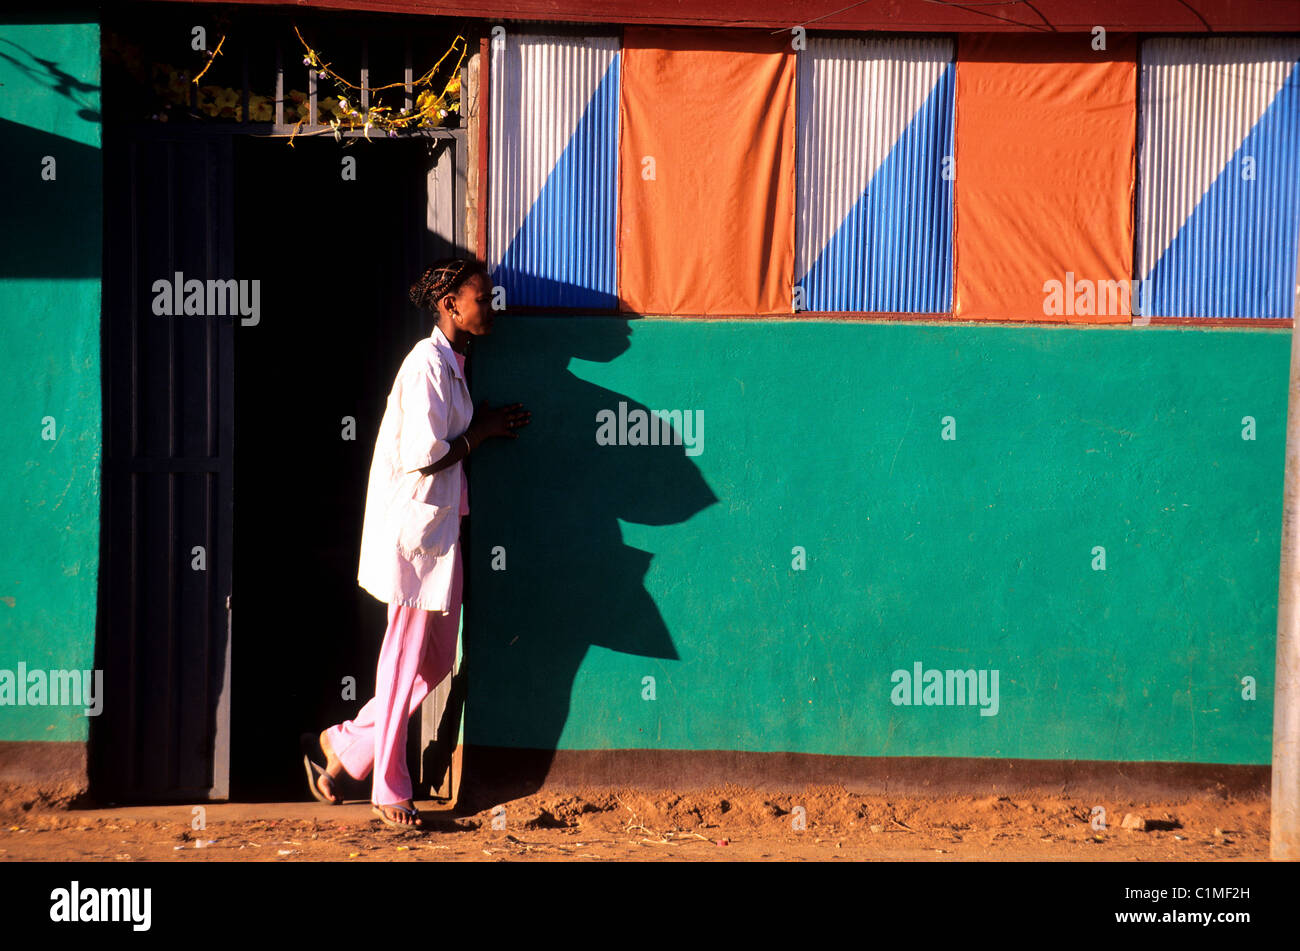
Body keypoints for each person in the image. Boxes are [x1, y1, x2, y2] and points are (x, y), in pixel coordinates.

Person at [302, 256, 530, 828]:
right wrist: (481, 432)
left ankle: (347, 744)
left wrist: (484, 424)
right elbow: (424, 457)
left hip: (440, 535)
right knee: (402, 657)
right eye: (483, 297)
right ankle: (389, 788)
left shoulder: (453, 362)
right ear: (450, 305)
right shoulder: (424, 364)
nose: (491, 306)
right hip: (413, 537)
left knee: (431, 662)